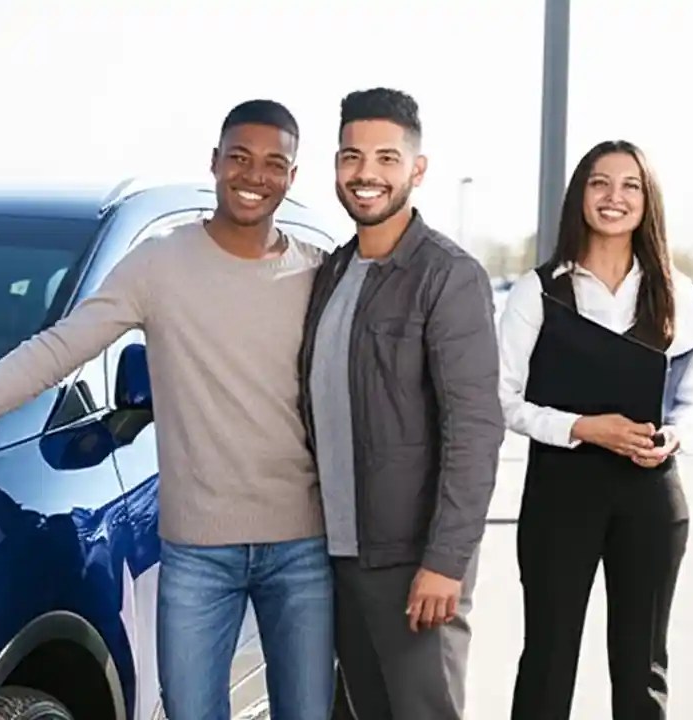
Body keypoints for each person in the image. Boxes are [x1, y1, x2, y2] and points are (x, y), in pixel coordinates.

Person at [0, 100, 336, 720]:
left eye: (274, 164)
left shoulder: (319, 272)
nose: (254, 175)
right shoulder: (159, 264)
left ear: (292, 177)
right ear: (215, 162)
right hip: (197, 549)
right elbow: (57, 348)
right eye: (239, 157)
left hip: (300, 545)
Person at [298, 87, 504, 720]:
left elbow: (475, 429)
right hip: (340, 551)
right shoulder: (332, 272)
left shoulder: (448, 275)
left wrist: (444, 562)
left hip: (412, 559)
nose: (366, 173)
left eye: (387, 158)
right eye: (352, 156)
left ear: (417, 170)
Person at [497, 139, 693, 719]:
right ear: (580, 195)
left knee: (643, 670)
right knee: (547, 659)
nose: (614, 197)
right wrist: (584, 427)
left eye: (630, 185)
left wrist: (674, 438)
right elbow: (503, 400)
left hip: (651, 497)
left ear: (648, 201)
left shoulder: (675, 291)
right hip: (560, 496)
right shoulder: (538, 291)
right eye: (600, 182)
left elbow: (692, 403)